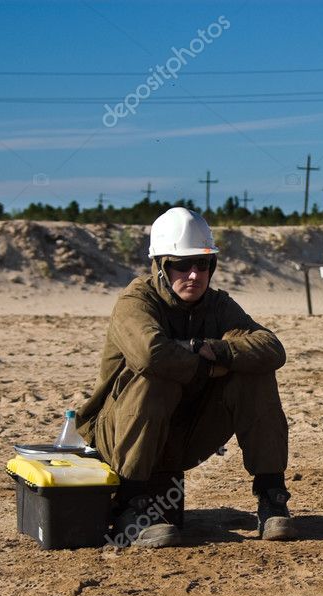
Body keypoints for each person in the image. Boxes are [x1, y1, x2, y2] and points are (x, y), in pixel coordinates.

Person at [76, 207, 293, 547]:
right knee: (155, 377)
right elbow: (152, 354)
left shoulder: (218, 306)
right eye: (182, 265)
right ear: (161, 266)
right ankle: (129, 508)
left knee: (256, 374)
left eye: (202, 264)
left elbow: (271, 348)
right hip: (118, 435)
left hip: (182, 432)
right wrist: (207, 365)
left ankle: (272, 497)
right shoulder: (135, 301)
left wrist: (218, 350)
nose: (193, 275)